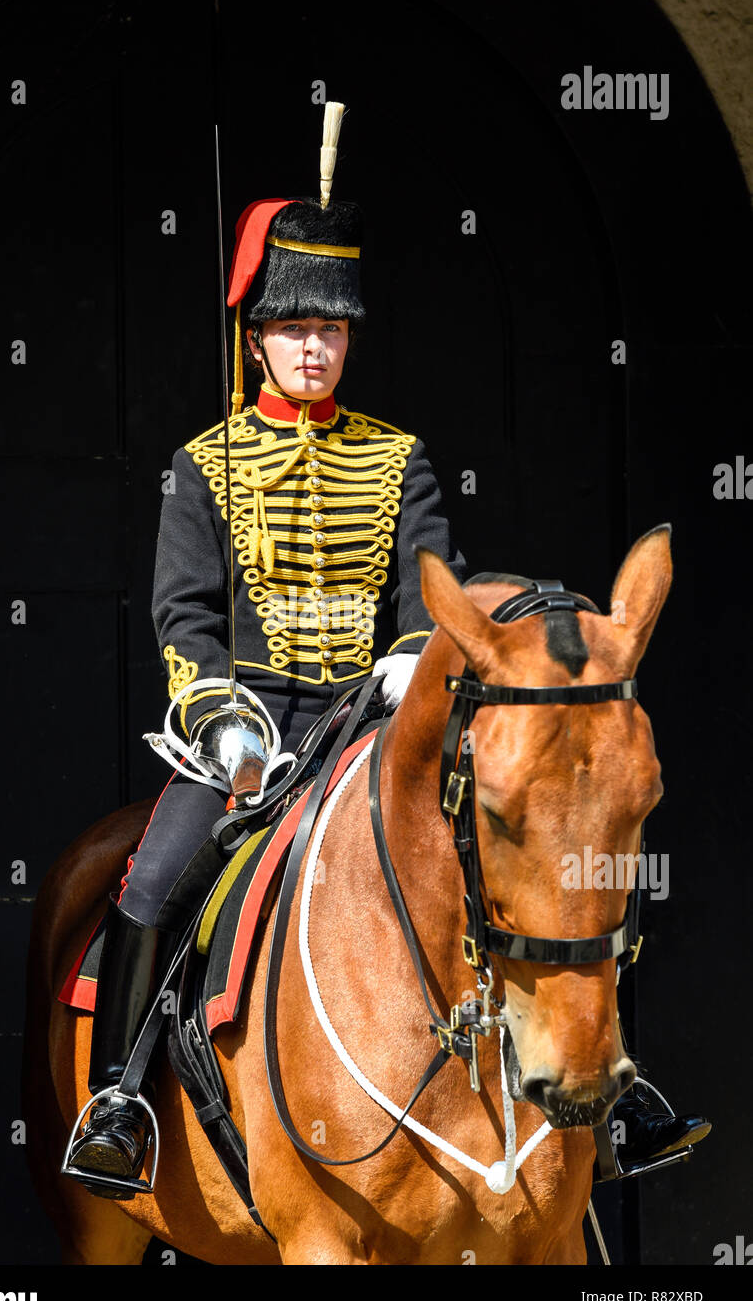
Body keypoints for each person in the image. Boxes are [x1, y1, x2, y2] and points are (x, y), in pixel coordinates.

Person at [66, 110, 708, 1200]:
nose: (314, 345)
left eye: (332, 328)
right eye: (293, 325)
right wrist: (222, 716)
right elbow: (185, 618)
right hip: (251, 727)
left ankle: (616, 1084)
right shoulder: (204, 466)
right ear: (255, 336)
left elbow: (428, 592)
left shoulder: (399, 459)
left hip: (370, 711)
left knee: (536, 858)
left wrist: (413, 666)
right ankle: (122, 1098)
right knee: (155, 878)